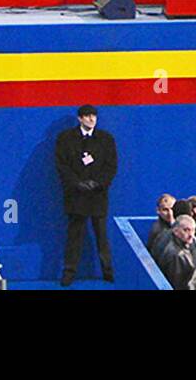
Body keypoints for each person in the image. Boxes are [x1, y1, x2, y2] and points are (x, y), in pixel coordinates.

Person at [54, 103, 119, 286]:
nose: (92, 119)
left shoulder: (106, 139)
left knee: (102, 236)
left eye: (94, 116)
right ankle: (69, 272)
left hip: (98, 196)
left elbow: (111, 166)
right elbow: (61, 165)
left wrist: (97, 183)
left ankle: (107, 272)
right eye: (88, 116)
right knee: (74, 237)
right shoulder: (66, 139)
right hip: (76, 196)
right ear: (80, 118)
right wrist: (77, 184)